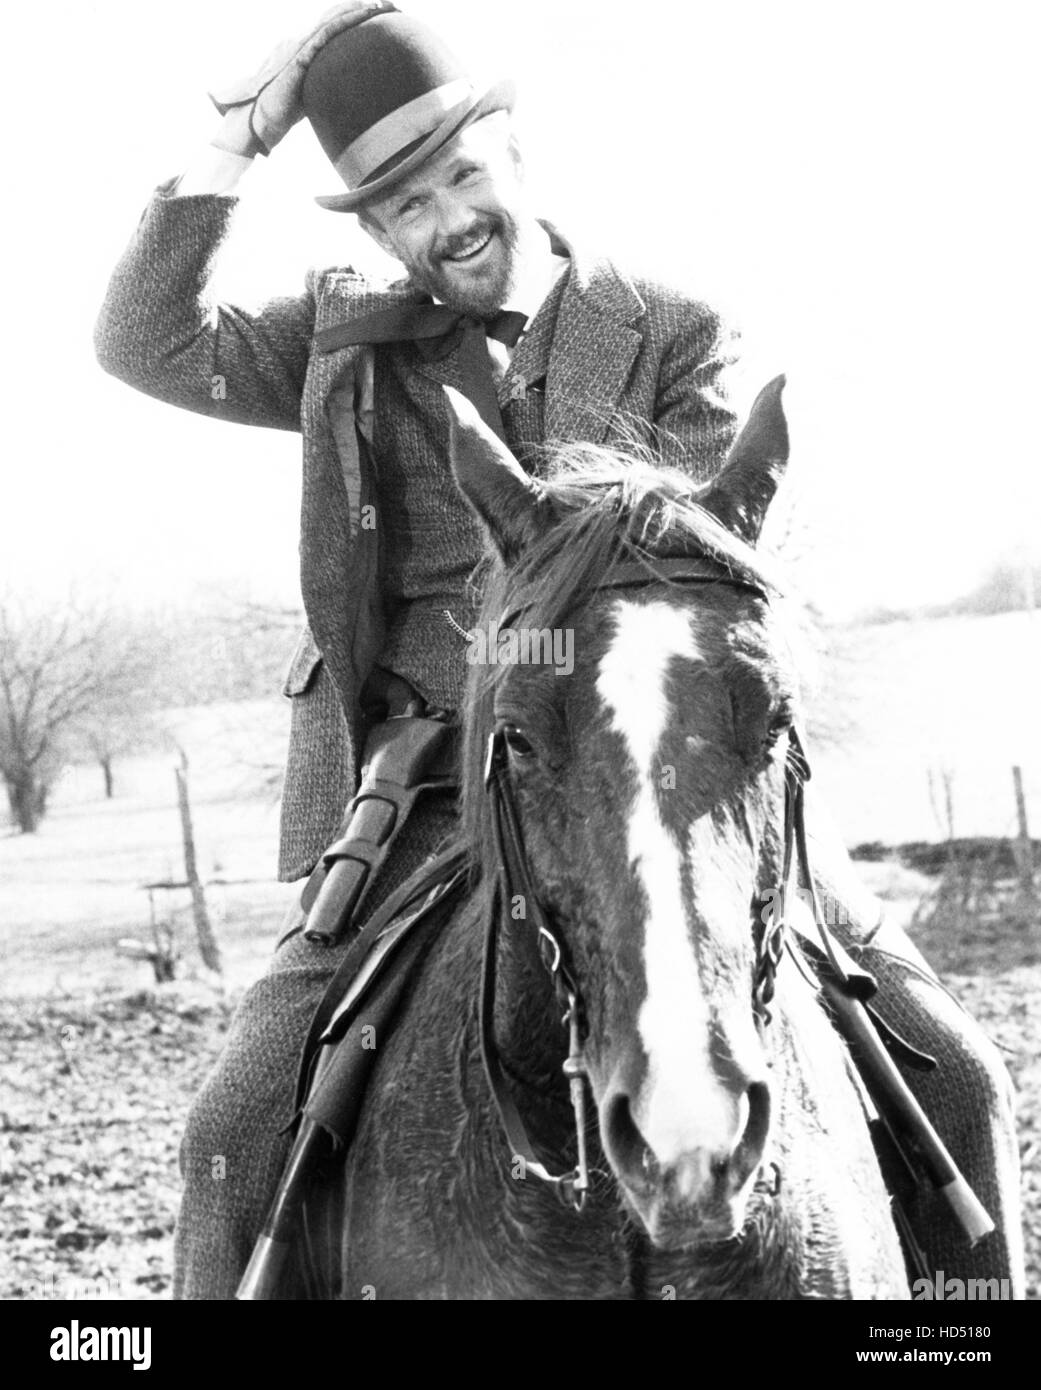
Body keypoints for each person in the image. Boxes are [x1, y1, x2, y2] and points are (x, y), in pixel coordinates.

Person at [95, 4, 1023, 1300]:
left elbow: (695, 592)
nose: (447, 218)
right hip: (418, 792)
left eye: (461, 174)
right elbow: (144, 343)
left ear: (513, 150)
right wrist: (232, 140)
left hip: (668, 771)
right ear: (376, 234)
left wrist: (556, 653)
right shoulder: (337, 342)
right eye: (404, 206)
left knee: (961, 1072)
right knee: (228, 1129)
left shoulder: (668, 328)